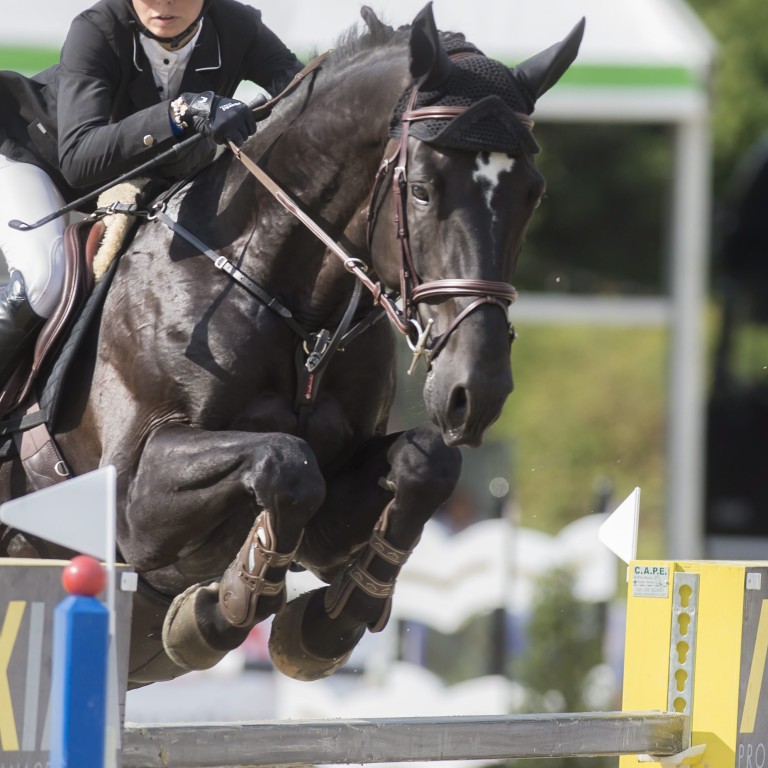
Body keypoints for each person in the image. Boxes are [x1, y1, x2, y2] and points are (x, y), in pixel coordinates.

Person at [0, 0, 303, 387]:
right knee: (45, 283)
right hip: (36, 158)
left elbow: (303, 88)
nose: (164, 3)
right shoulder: (97, 29)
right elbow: (77, 160)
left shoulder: (237, 26)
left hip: (141, 182)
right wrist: (179, 113)